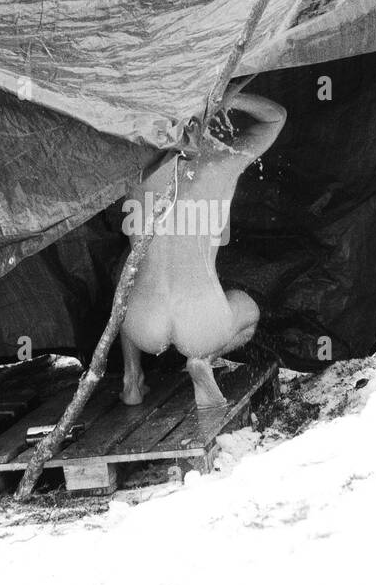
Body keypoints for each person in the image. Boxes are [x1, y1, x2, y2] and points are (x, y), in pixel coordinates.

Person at [119, 93, 287, 408]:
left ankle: (132, 377)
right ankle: (203, 359)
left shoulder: (135, 163)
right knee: (249, 313)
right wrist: (228, 97)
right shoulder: (226, 158)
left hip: (142, 324)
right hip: (202, 324)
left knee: (126, 271)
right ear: (208, 120)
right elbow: (276, 116)